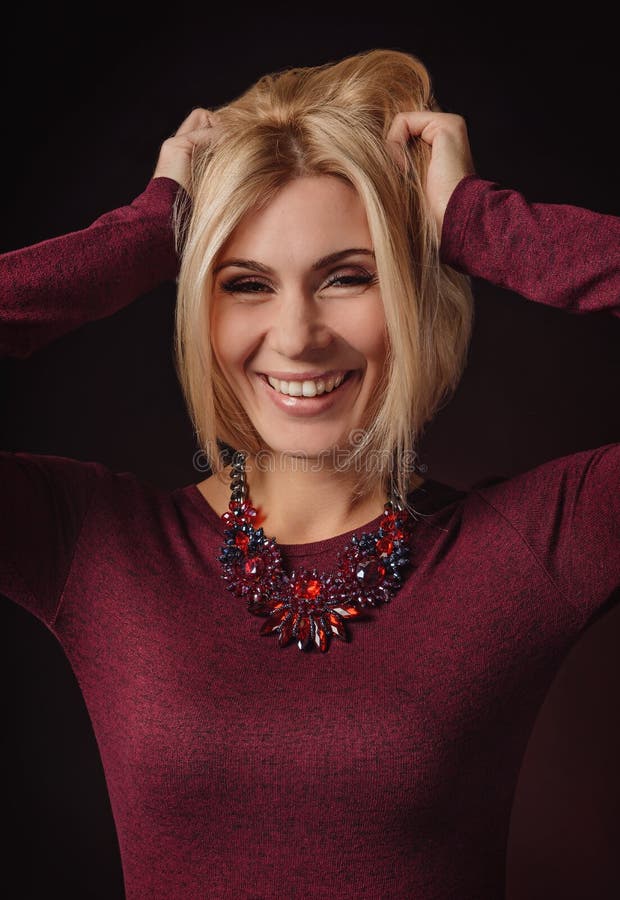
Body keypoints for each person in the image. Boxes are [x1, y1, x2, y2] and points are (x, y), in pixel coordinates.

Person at [1, 47, 618, 899]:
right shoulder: (95, 544)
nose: (296, 336)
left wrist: (487, 224)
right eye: (246, 284)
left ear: (412, 290)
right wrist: (136, 240)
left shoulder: (536, 545)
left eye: (348, 278)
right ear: (199, 307)